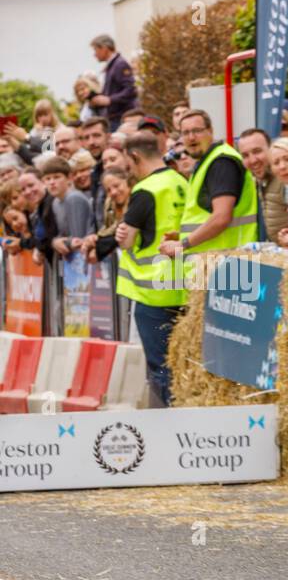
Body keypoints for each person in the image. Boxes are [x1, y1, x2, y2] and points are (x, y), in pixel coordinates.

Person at [113, 132, 190, 406]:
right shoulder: (181, 182)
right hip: (184, 287)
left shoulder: (145, 190)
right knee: (185, 365)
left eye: (126, 161)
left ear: (135, 156)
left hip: (153, 293)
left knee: (161, 368)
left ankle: (169, 428)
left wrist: (121, 236)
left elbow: (129, 239)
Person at [159, 110, 258, 261]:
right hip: (218, 265)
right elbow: (205, 216)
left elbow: (221, 218)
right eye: (185, 133)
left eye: (197, 131)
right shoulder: (207, 162)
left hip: (230, 264)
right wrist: (183, 235)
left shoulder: (221, 162)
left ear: (210, 131)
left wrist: (182, 244)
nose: (191, 137)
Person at [237, 128, 288, 242]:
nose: (252, 160)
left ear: (271, 148)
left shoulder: (287, 179)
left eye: (257, 151)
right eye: (245, 155)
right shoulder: (262, 181)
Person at [41, 157, 94, 260]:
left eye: (57, 177)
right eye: (48, 179)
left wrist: (59, 242)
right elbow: (62, 234)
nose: (52, 182)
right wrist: (55, 242)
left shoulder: (74, 198)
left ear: (69, 178)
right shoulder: (55, 202)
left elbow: (78, 239)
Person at [89, 35, 140, 131]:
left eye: (95, 50)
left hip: (121, 117)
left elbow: (131, 90)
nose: (94, 54)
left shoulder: (119, 64)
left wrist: (109, 100)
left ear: (104, 48)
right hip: (116, 117)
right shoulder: (113, 65)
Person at [84, 166, 130, 263]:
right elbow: (108, 229)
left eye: (117, 186)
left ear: (128, 182)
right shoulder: (110, 204)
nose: (113, 192)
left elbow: (120, 232)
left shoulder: (137, 201)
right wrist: (95, 239)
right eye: (108, 190)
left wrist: (99, 250)